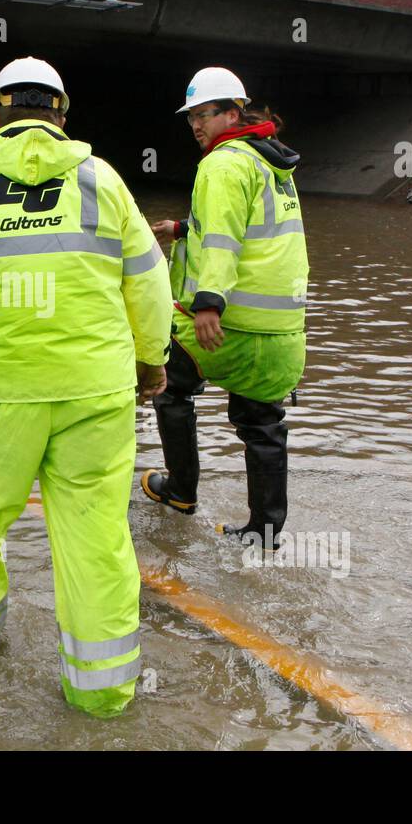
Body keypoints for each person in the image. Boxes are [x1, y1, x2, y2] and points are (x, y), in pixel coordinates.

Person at [0, 57, 171, 716]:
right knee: (96, 534)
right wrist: (152, 360)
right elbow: (149, 280)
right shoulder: (104, 181)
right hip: (94, 394)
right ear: (61, 113)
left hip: (0, 397)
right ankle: (102, 690)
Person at [140, 67, 309, 550]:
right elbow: (247, 231)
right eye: (191, 116)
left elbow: (223, 241)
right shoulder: (270, 165)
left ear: (232, 113)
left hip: (228, 322)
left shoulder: (221, 165)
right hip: (280, 328)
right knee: (263, 424)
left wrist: (208, 303)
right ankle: (265, 531)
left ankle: (181, 493)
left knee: (169, 389)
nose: (195, 124)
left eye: (204, 114)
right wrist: (180, 229)